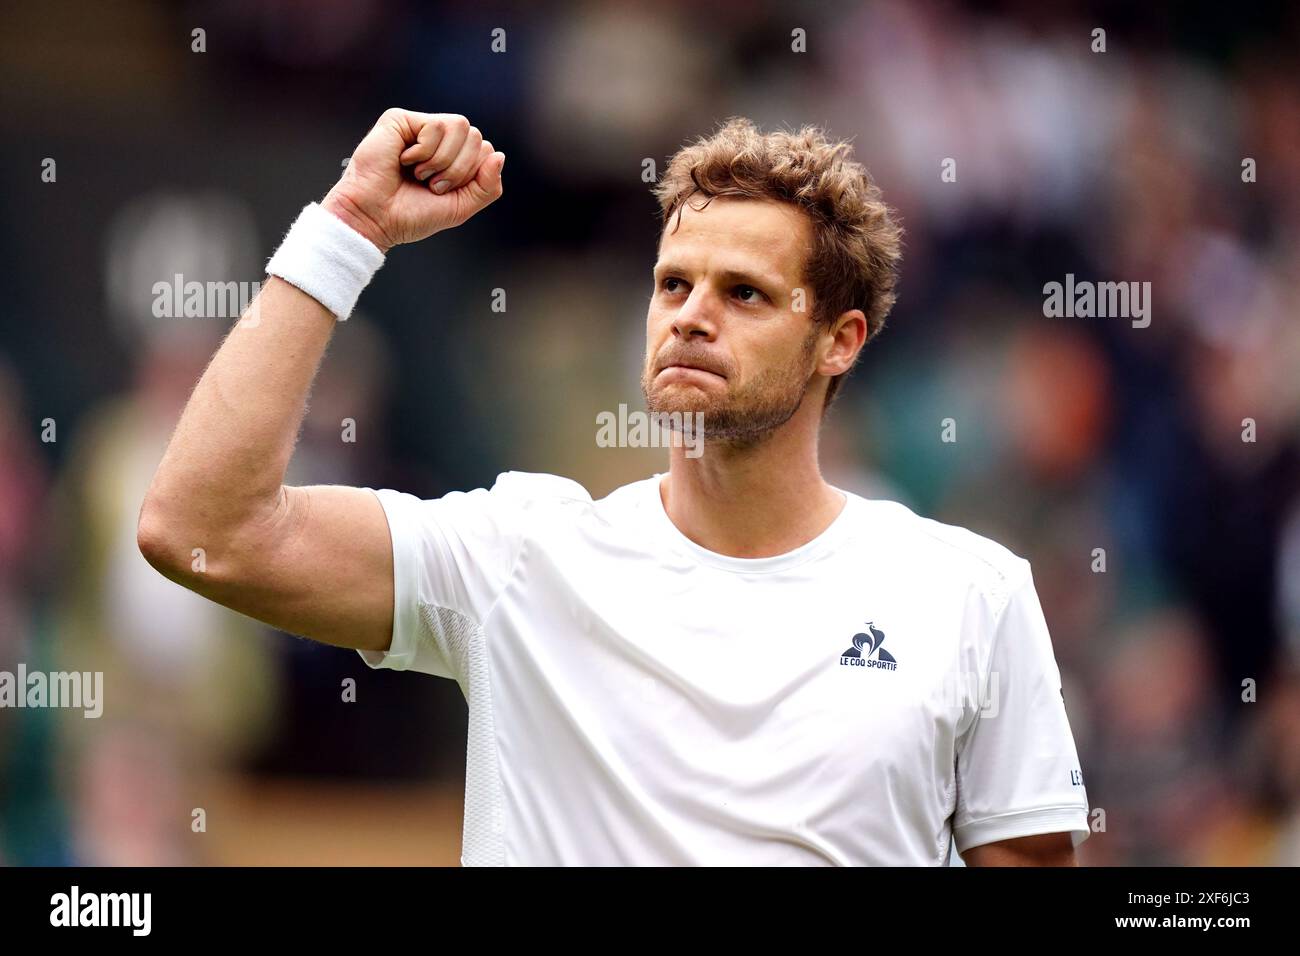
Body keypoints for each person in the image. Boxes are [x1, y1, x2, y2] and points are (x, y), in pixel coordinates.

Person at [138, 108, 1090, 866]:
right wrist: (346, 230)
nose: (691, 317)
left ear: (839, 339)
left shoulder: (972, 593)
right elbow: (200, 530)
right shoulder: (519, 557)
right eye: (673, 285)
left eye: (744, 293)